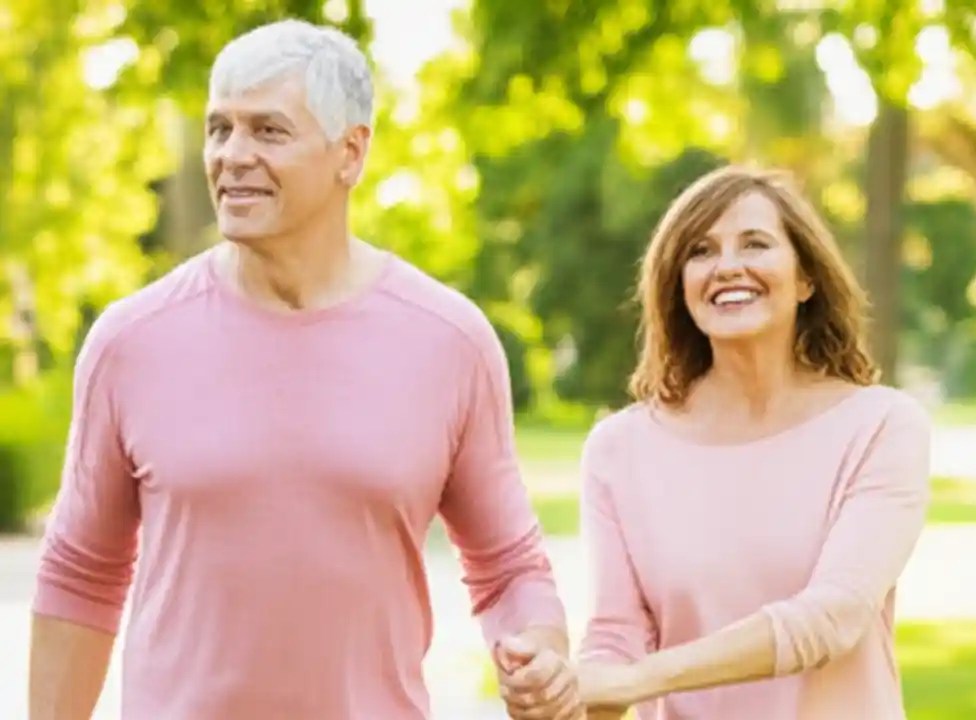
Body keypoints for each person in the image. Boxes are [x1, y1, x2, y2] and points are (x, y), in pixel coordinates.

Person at [28, 19, 579, 720]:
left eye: (267, 130)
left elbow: (509, 568)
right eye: (219, 128)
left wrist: (543, 650)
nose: (231, 155)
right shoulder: (131, 341)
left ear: (351, 152)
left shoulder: (450, 343)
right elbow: (81, 572)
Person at [573, 165, 932, 719]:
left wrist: (640, 678)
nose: (728, 267)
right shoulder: (619, 449)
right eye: (700, 251)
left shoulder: (881, 426)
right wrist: (570, 695)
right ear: (678, 284)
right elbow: (614, 639)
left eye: (756, 244)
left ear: (806, 278)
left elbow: (832, 617)